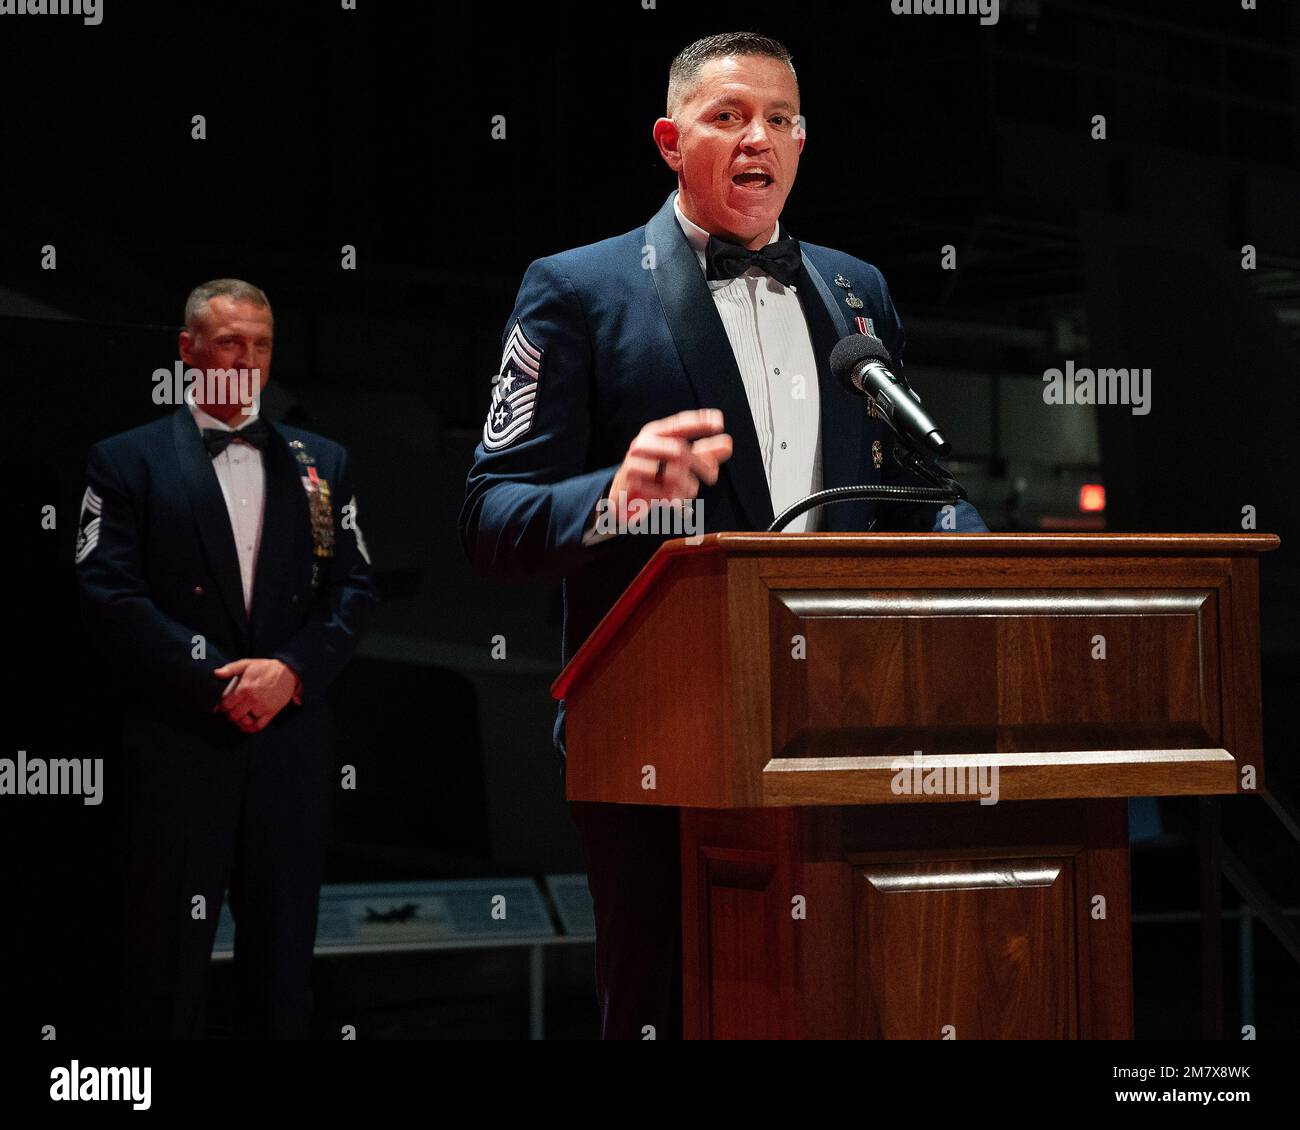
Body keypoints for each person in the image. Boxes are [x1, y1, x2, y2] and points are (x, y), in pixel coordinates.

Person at [459, 32, 986, 1040]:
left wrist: (979, 555)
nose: (759, 137)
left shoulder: (855, 288)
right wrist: (613, 494)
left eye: (780, 119)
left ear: (801, 140)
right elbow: (491, 516)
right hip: (661, 734)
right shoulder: (577, 287)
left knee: (847, 997)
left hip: (846, 718)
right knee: (671, 1003)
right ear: (669, 138)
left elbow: (914, 495)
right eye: (728, 116)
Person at [76, 278, 378, 1038]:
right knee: (163, 966)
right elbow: (109, 594)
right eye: (229, 342)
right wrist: (214, 678)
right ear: (187, 350)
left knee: (281, 965)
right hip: (180, 742)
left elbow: (354, 590)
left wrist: (291, 672)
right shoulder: (125, 461)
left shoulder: (324, 462)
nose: (247, 359)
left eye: (263, 343)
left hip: (289, 746)